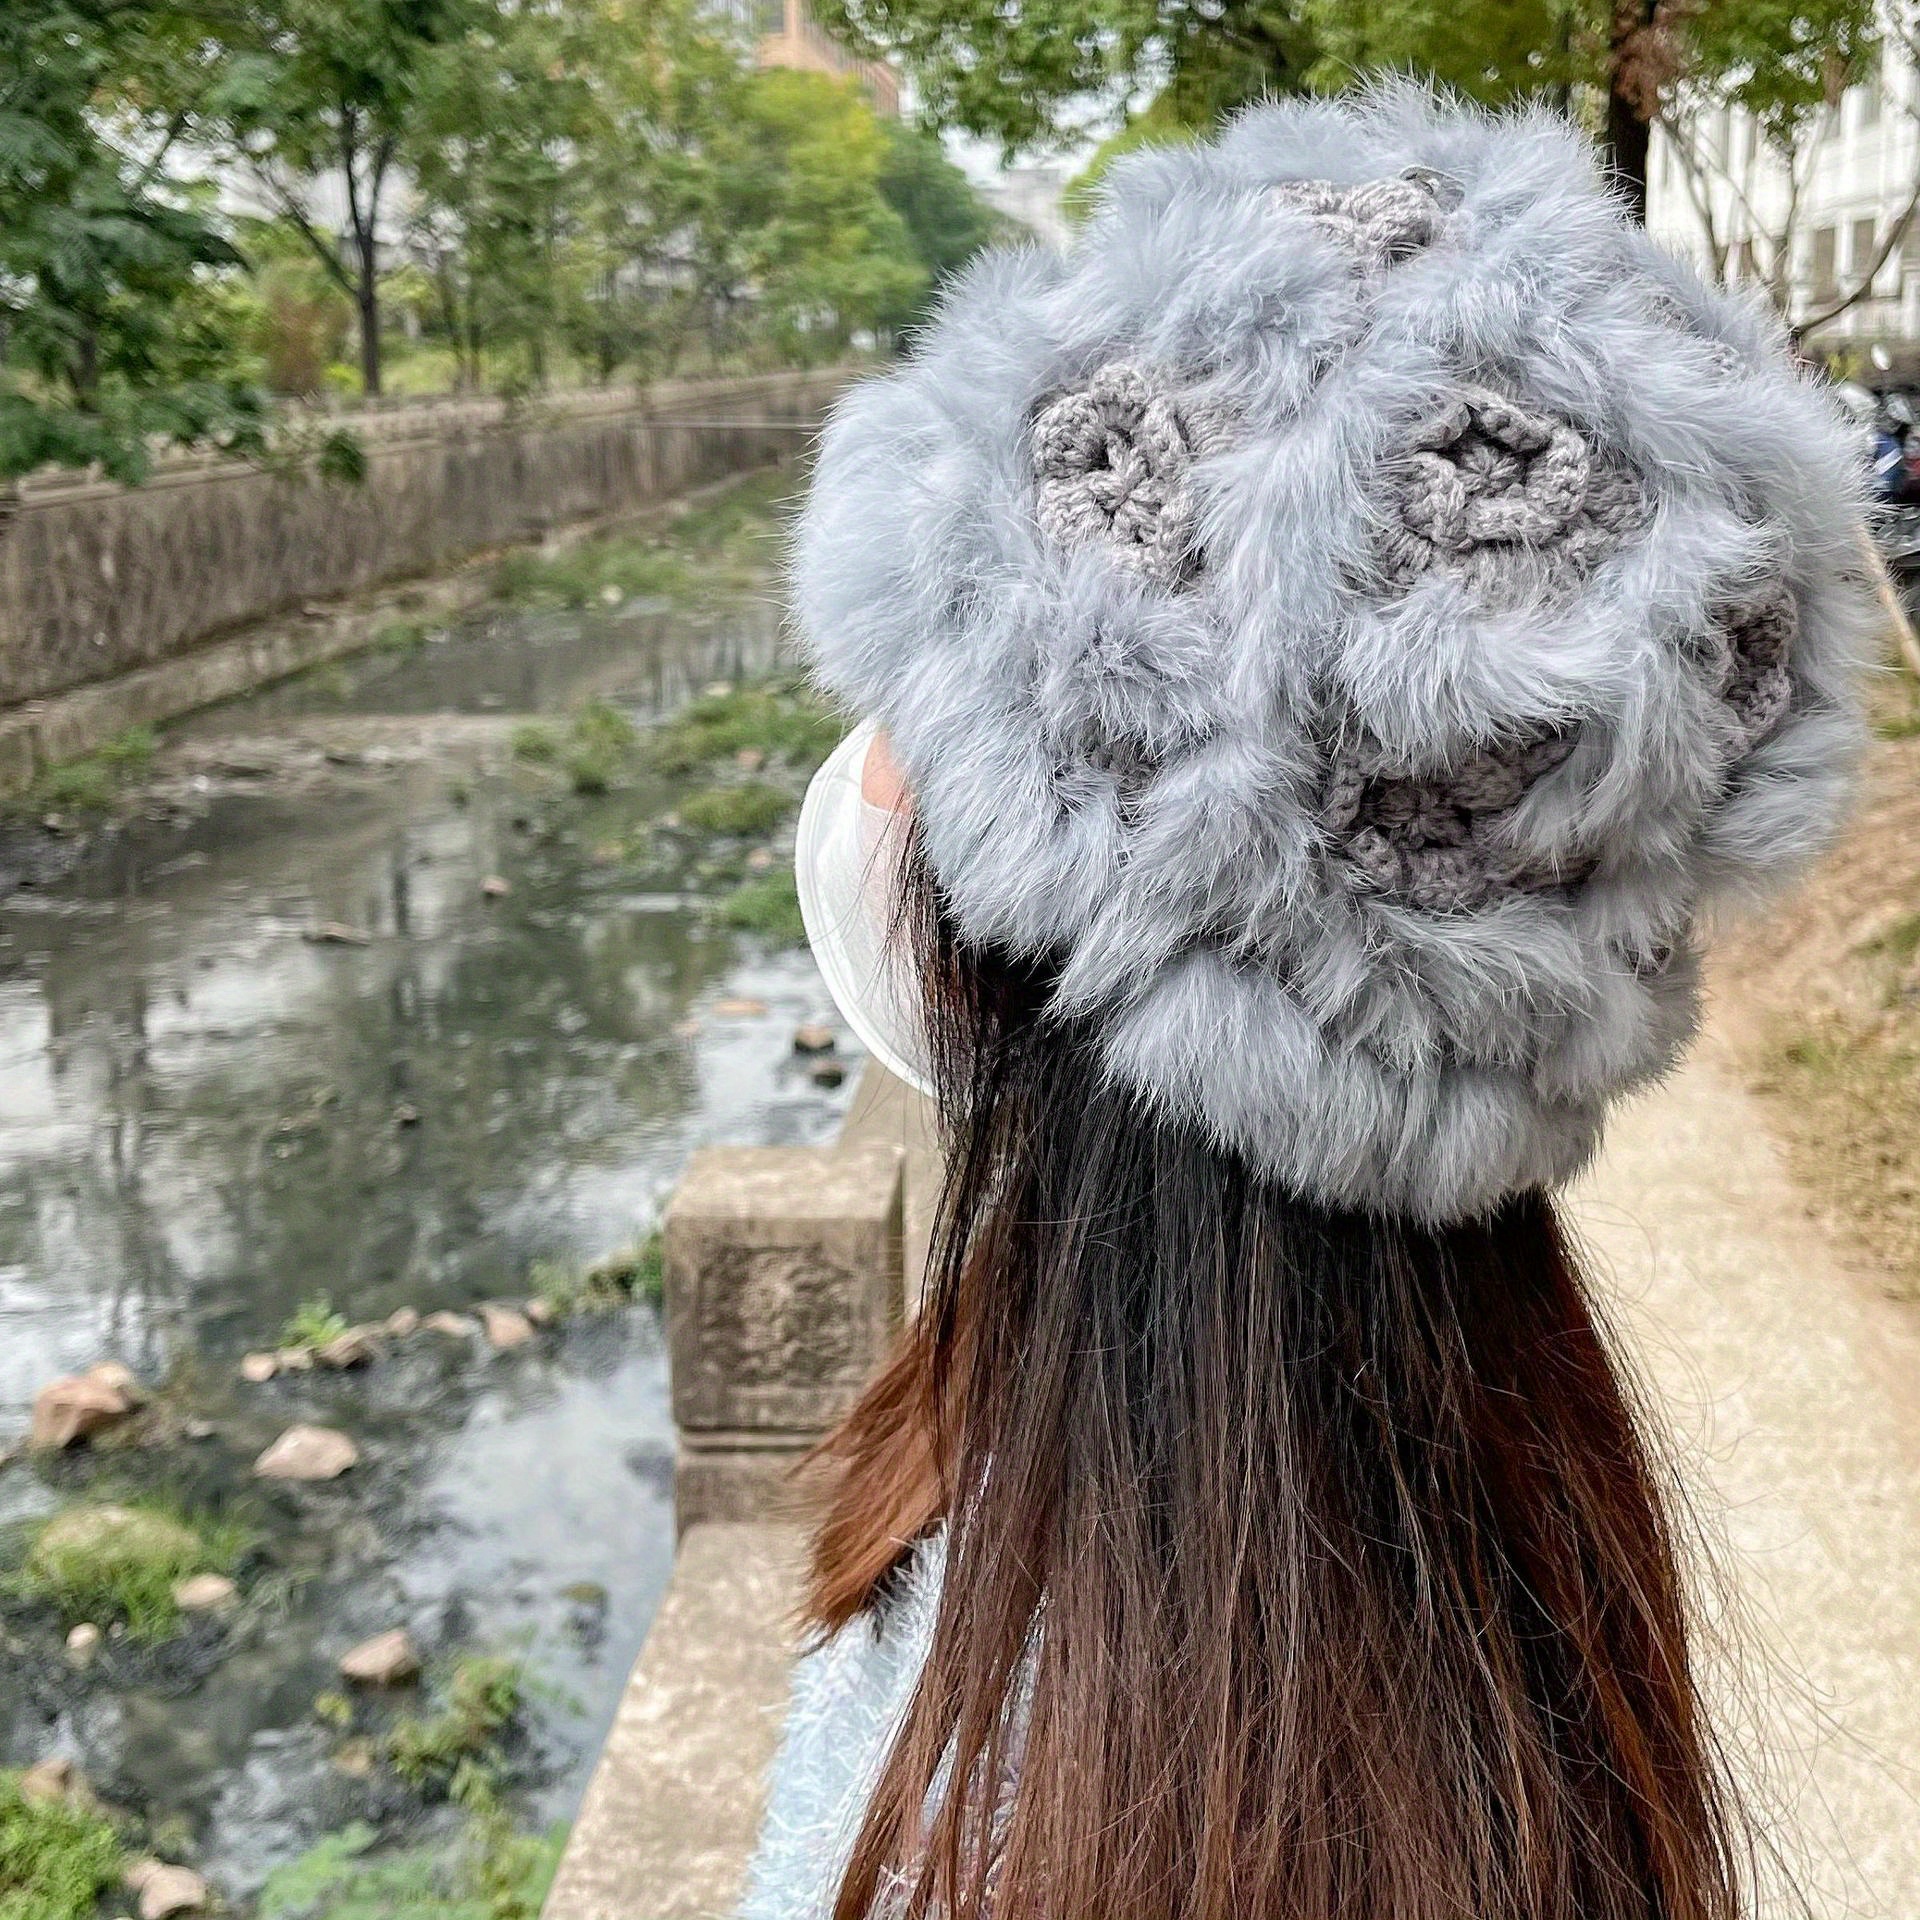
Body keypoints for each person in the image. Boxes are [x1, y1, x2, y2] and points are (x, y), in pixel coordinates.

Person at [747, 89, 1872, 1920]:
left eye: (922, 739)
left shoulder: (1004, 1763)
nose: (872, 786)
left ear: (1033, 938)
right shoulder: (1529, 1566)